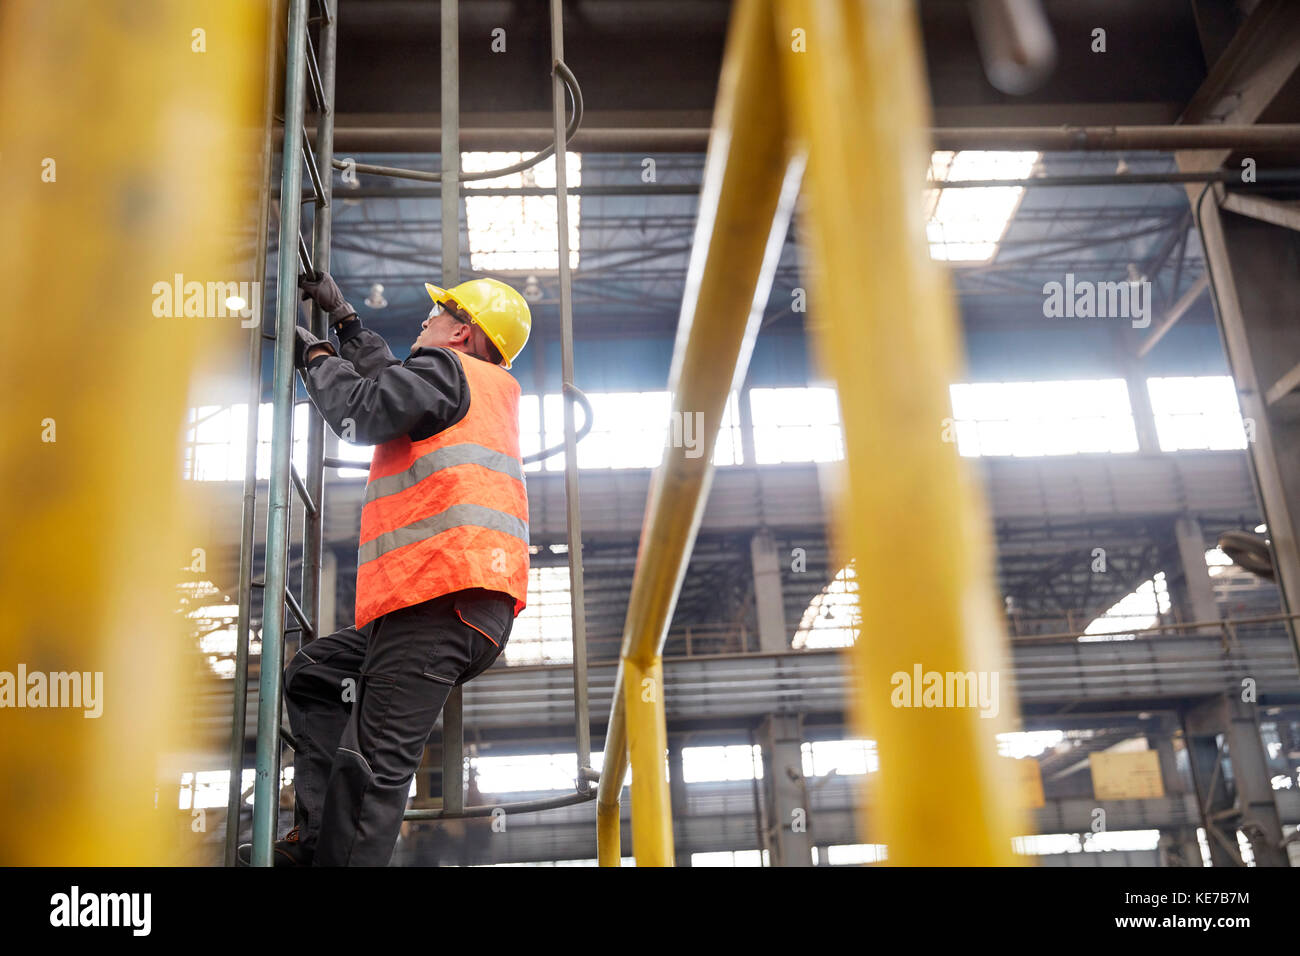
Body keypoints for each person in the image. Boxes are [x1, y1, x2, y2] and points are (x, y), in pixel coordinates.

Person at [239, 271, 532, 866]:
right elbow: (392, 385)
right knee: (317, 673)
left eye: (439, 314)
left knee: (372, 769)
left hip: (441, 602)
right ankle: (317, 840)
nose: (425, 320)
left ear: (463, 334)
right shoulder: (467, 384)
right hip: (452, 608)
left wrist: (315, 357)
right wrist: (347, 323)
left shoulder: (450, 374)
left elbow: (363, 410)